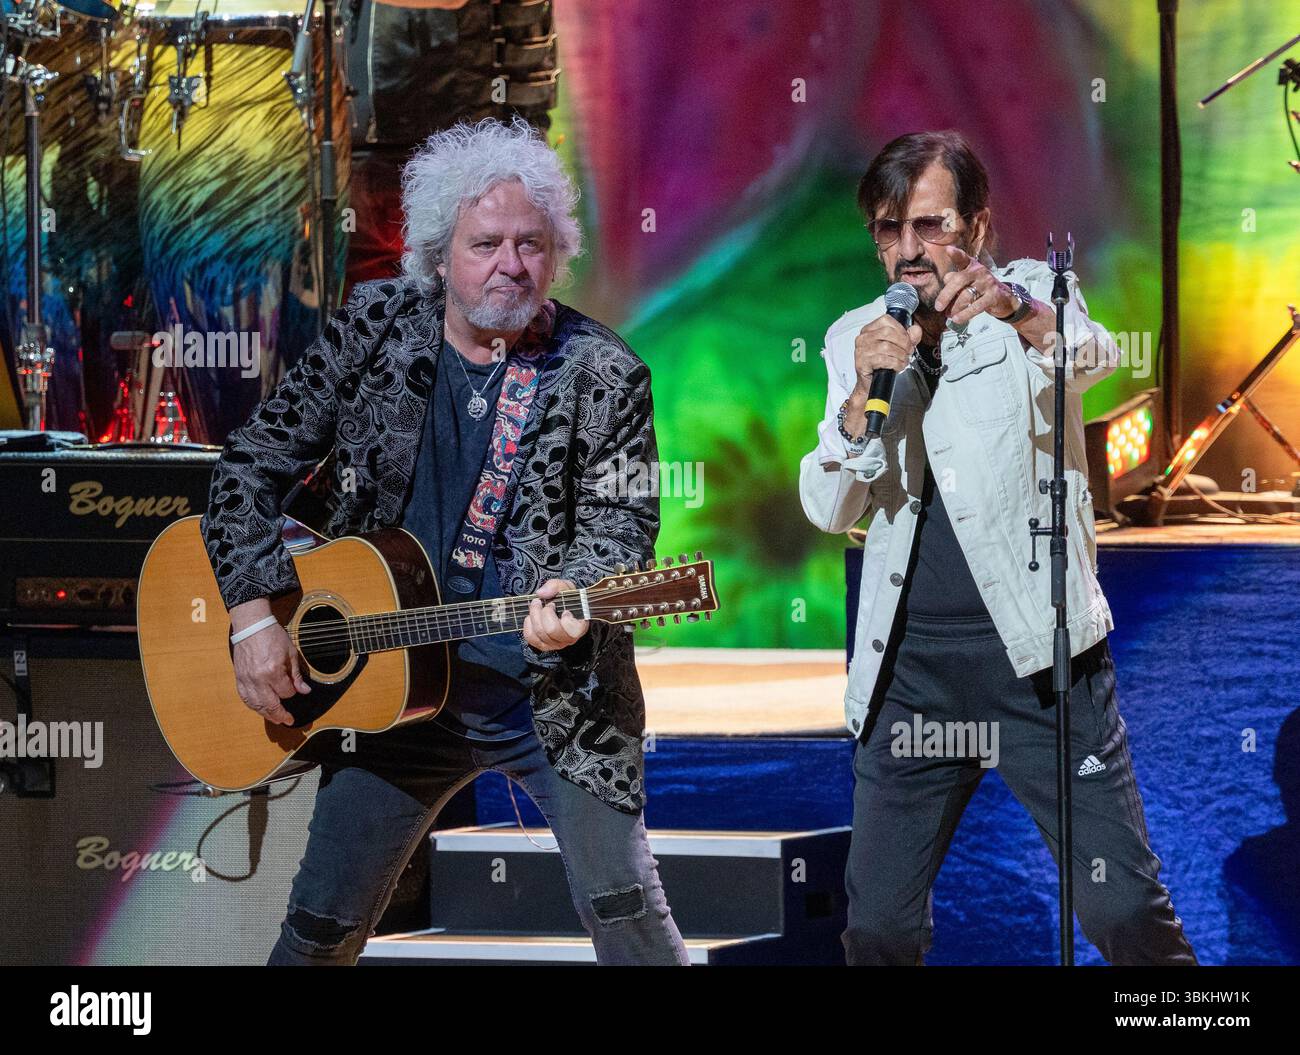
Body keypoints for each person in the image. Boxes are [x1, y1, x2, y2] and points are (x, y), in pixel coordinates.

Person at [201, 116, 688, 966]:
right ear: (438, 255)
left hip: (552, 699)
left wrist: (576, 593)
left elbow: (626, 523)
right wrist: (250, 614)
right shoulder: (377, 327)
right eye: (486, 243)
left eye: (532, 243)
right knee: (318, 933)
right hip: (387, 695)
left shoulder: (605, 370)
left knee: (628, 916)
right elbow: (249, 462)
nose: (511, 264)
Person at [799, 129, 1197, 966]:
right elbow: (832, 507)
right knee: (879, 930)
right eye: (888, 229)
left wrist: (1023, 315)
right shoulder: (854, 340)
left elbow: (1093, 358)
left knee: (1124, 909)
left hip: (1037, 665)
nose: (908, 252)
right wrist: (856, 408)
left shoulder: (1030, 297)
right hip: (912, 677)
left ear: (976, 226)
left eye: (929, 226)